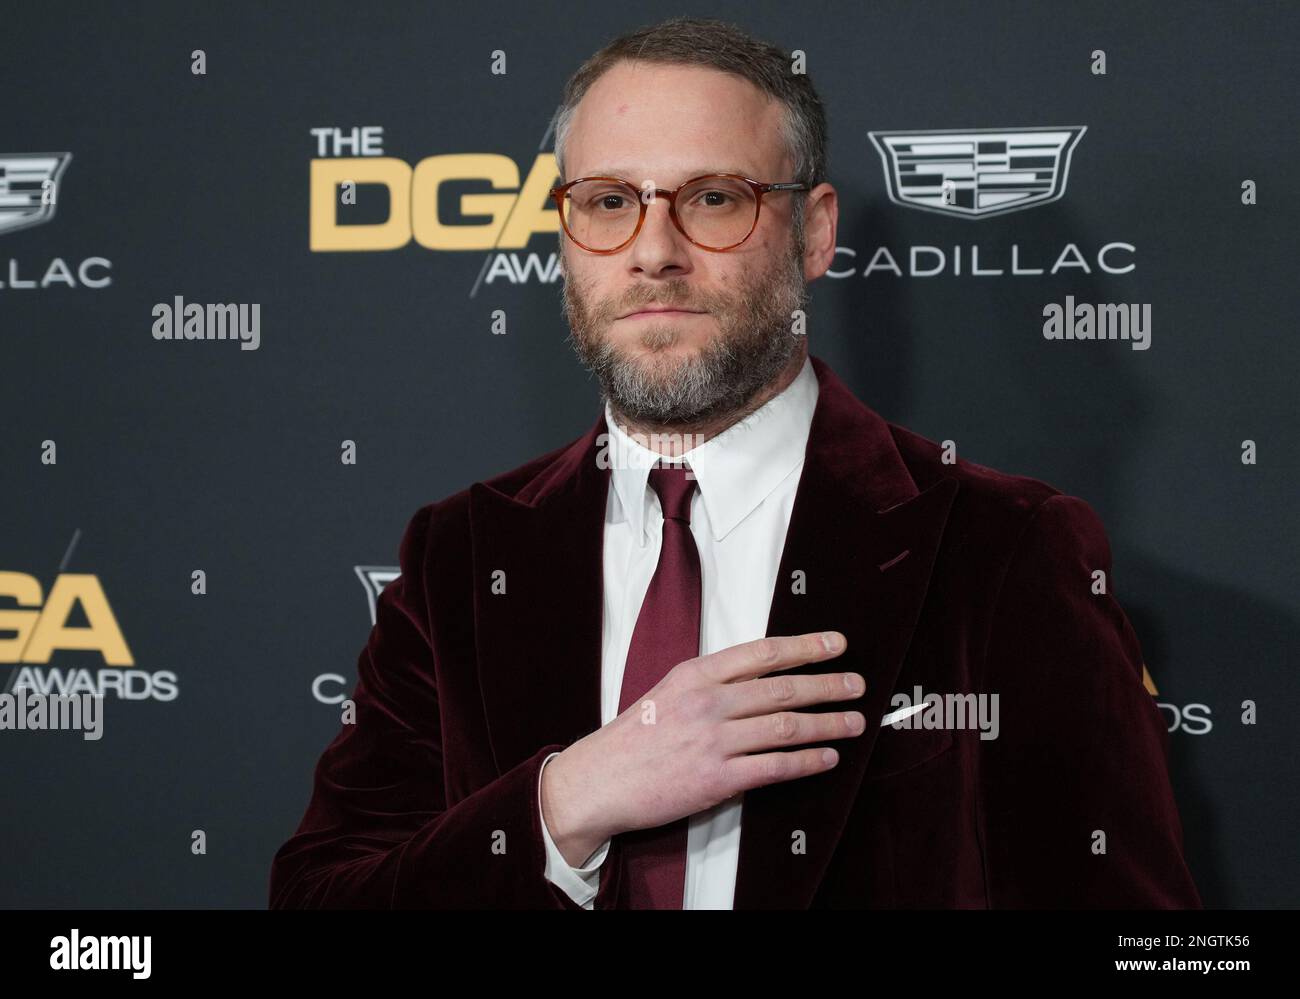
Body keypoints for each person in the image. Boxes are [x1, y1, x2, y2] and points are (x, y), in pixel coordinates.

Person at [268, 16, 1201, 909]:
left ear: (815, 233)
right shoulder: (459, 553)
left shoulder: (1005, 548)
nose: (653, 252)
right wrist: (567, 802)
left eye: (714, 198)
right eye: (607, 202)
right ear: (565, 236)